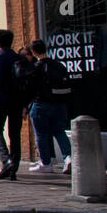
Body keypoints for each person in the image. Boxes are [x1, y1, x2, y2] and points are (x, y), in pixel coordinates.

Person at [26, 38, 72, 174]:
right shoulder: (58, 65)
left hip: (41, 104)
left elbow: (31, 88)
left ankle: (46, 163)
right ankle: (68, 158)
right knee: (59, 132)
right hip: (60, 104)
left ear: (33, 52)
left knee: (41, 135)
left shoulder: (37, 67)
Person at [0, 29, 26, 180]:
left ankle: (6, 160)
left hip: (0, 99)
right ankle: (13, 167)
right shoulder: (19, 58)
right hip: (17, 100)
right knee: (15, 134)